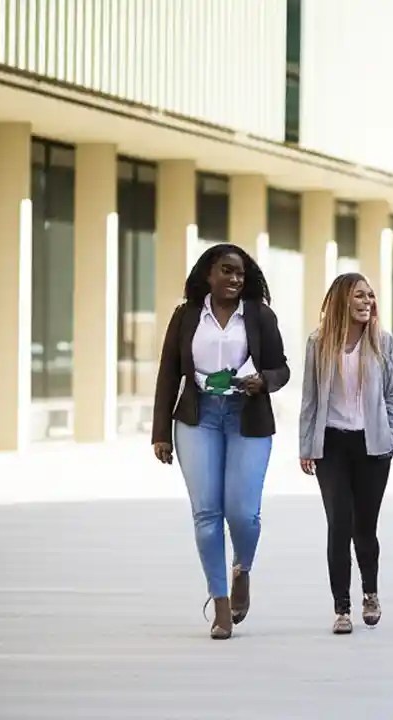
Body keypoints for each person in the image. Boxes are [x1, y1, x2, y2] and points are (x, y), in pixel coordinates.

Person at [151, 243, 290, 640]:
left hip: (247, 416)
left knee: (243, 513)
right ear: (208, 274)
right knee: (207, 513)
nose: (234, 279)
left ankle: (241, 567)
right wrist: (161, 432)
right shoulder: (187, 316)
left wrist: (264, 381)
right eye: (226, 271)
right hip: (199, 417)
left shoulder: (260, 316)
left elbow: (281, 367)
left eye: (240, 274)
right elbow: (168, 374)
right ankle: (220, 603)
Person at [299, 273, 393, 635]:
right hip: (332, 445)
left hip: (373, 444)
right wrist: (306, 445)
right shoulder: (318, 343)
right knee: (338, 524)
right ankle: (341, 606)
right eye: (360, 295)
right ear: (343, 300)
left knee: (365, 527)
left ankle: (370, 593)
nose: (367, 302)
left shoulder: (383, 342)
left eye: (371, 296)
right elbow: (310, 399)